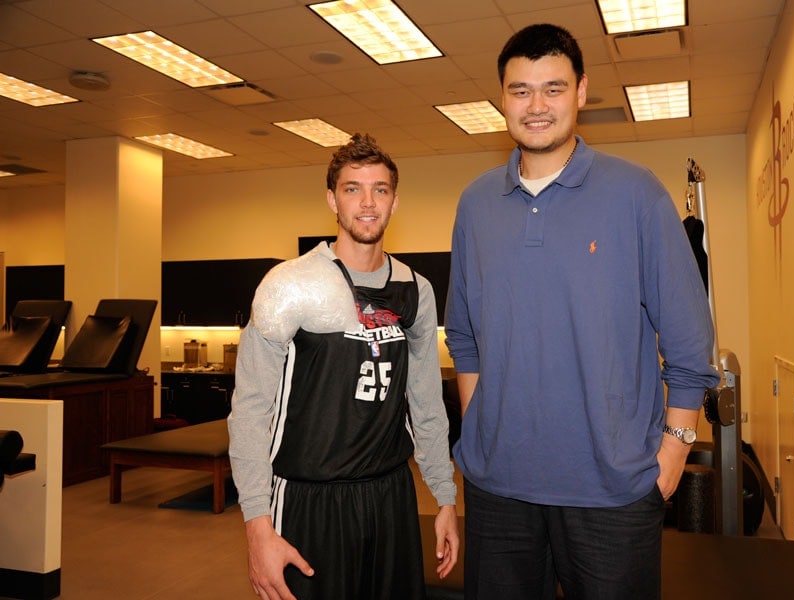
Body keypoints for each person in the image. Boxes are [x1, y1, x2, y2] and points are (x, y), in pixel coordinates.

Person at [443, 24, 721, 600]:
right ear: (502, 99)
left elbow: (690, 342)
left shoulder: (636, 193)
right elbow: (465, 338)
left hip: (611, 491)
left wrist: (674, 450)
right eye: (521, 90)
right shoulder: (475, 203)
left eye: (553, 88)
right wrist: (480, 431)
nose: (536, 106)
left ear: (581, 92)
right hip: (498, 492)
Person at [228, 133, 459, 600]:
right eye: (353, 189)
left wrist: (445, 497)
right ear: (332, 200)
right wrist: (256, 524)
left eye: (380, 189)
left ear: (395, 201)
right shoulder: (290, 285)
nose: (368, 202)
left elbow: (426, 403)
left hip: (391, 495)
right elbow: (250, 411)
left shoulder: (416, 290)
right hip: (309, 498)